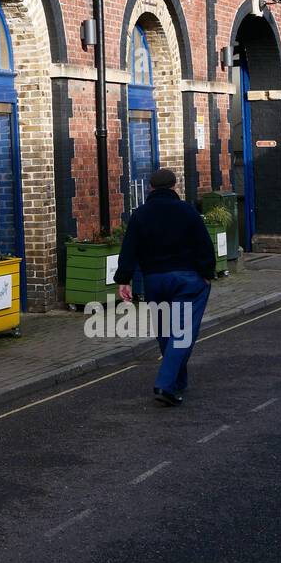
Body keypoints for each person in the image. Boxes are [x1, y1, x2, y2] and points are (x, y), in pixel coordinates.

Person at [113, 168, 216, 406]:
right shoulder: (187, 211)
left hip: (155, 280)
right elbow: (204, 245)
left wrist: (123, 280)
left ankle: (178, 382)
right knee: (182, 335)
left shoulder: (140, 215)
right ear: (174, 186)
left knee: (166, 333)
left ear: (150, 188)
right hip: (188, 280)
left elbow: (129, 249)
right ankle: (165, 384)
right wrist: (207, 273)